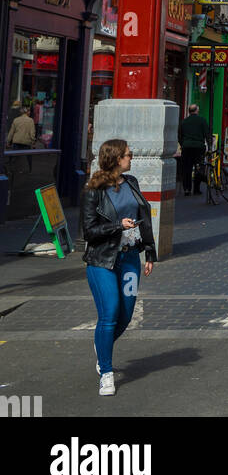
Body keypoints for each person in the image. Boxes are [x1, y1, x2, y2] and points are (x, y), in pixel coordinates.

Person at [81, 138, 156, 396]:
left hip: (130, 259)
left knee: (125, 315)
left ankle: (102, 345)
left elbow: (144, 216)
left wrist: (150, 252)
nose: (131, 157)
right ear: (115, 158)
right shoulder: (94, 190)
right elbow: (89, 232)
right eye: (127, 154)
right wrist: (117, 226)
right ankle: (107, 372)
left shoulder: (131, 182)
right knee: (110, 313)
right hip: (102, 260)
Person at [178, 103, 209, 196]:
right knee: (198, 168)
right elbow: (206, 134)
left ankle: (187, 189)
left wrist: (183, 143)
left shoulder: (184, 121)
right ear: (196, 110)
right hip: (198, 147)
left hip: (186, 147)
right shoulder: (202, 120)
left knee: (186, 169)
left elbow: (180, 135)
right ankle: (196, 189)